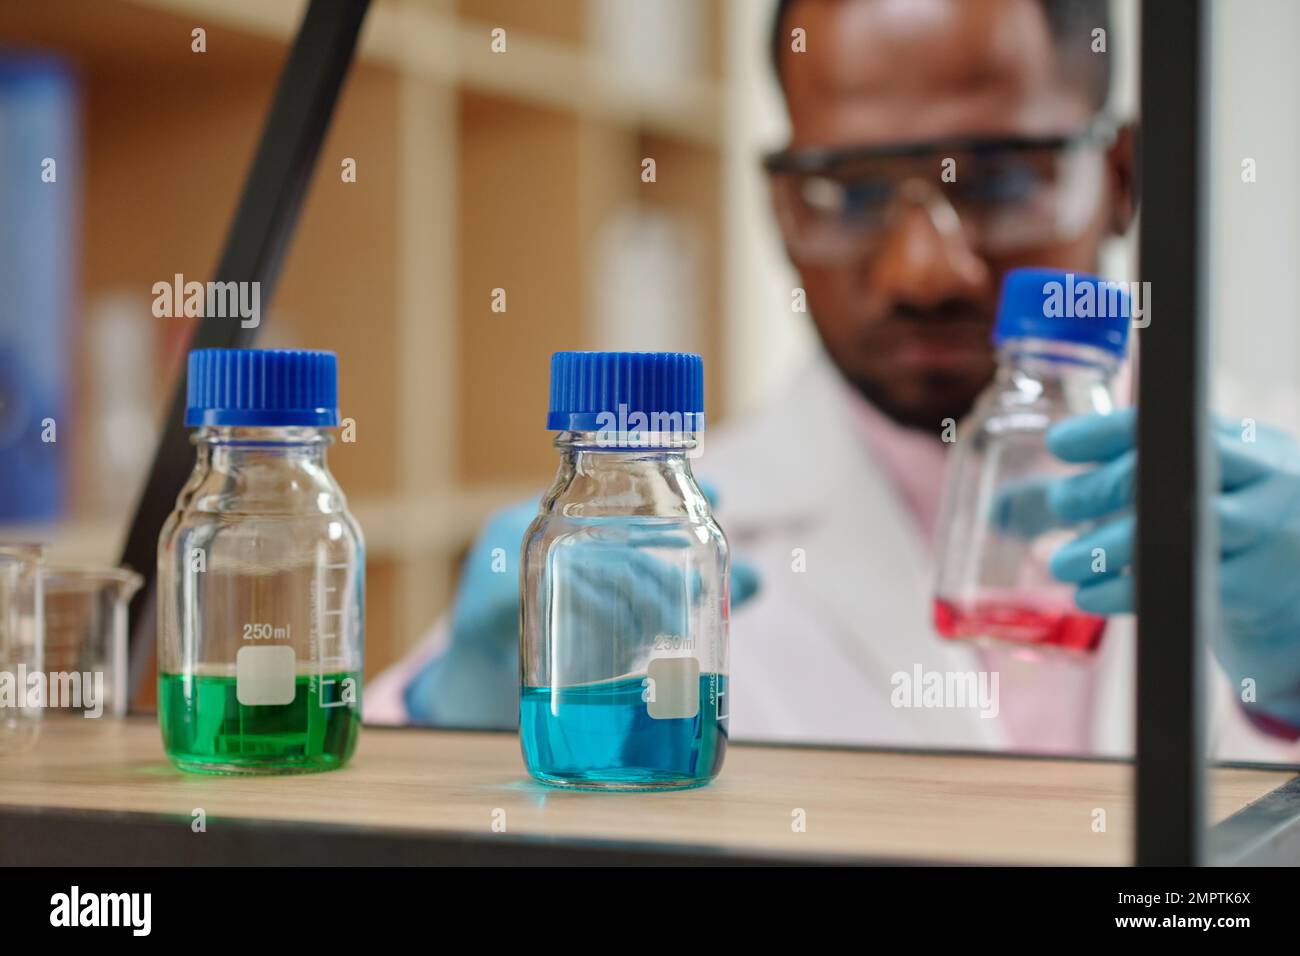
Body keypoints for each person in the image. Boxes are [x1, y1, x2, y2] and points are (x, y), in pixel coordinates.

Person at [368, 0, 1300, 760]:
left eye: (997, 179)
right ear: (780, 209)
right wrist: (456, 719)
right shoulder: (664, 540)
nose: (922, 272)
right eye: (850, 192)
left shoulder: (1282, 492)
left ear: (1123, 175)